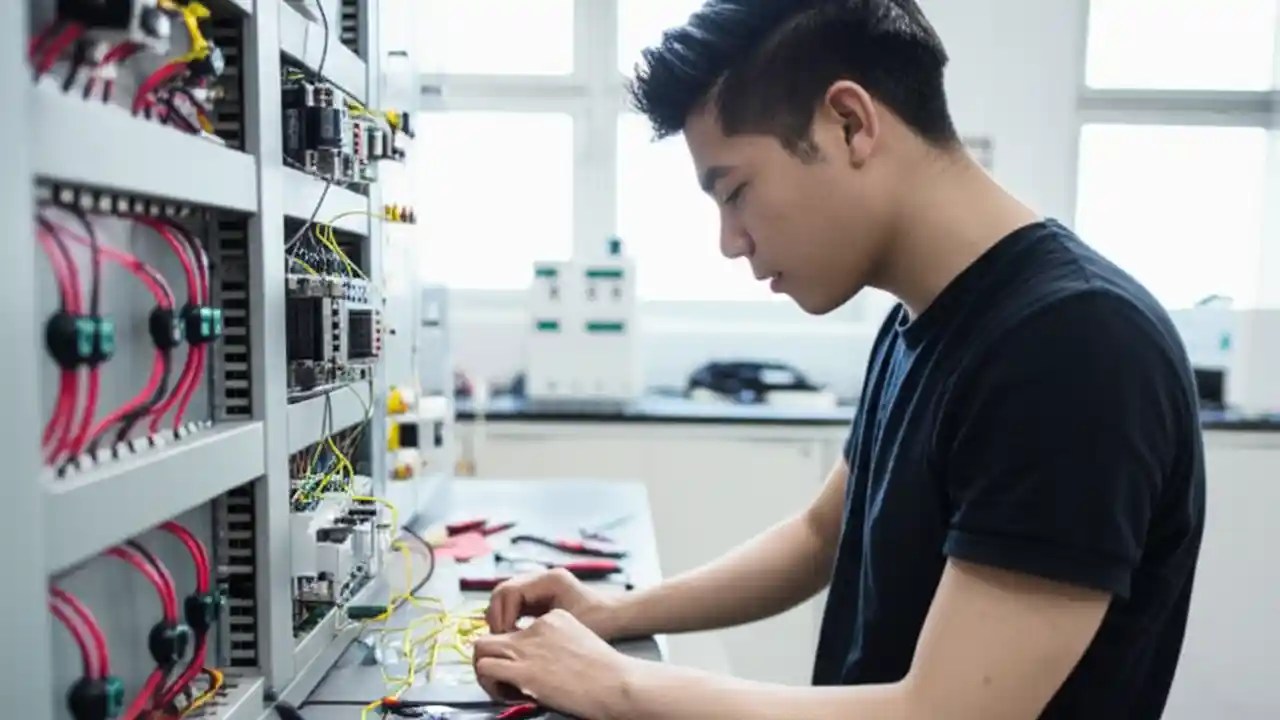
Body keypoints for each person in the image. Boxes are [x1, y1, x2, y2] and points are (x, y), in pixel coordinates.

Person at [472, 1, 1206, 718]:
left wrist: (617, 687)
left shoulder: (1074, 346)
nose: (731, 241)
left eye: (736, 192)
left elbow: (942, 712)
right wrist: (615, 610)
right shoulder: (920, 319)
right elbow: (821, 534)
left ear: (849, 124)